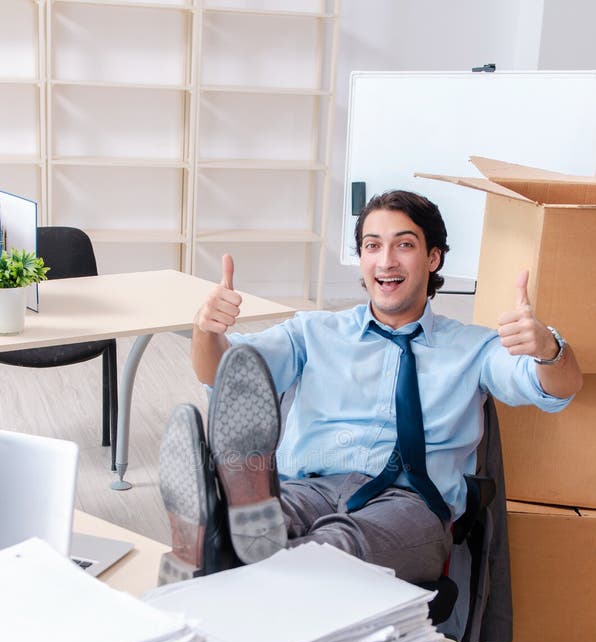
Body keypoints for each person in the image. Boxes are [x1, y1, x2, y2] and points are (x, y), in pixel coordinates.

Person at [158, 190, 582, 586]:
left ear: (433, 258)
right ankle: (237, 524)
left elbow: (557, 389)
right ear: (361, 258)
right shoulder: (314, 331)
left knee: (336, 546)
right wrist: (206, 330)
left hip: (410, 505)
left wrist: (549, 350)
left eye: (404, 245)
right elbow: (225, 373)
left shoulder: (475, 347)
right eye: (373, 246)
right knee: (274, 518)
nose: (386, 261)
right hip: (308, 486)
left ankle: (217, 544)